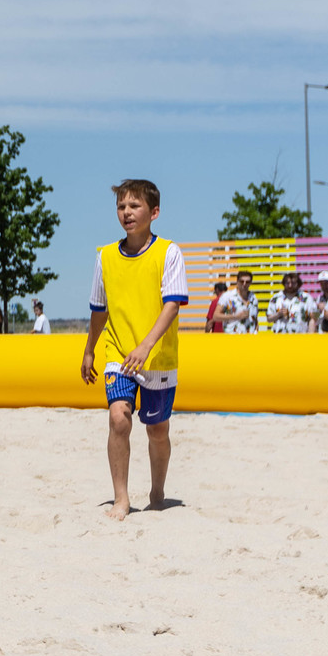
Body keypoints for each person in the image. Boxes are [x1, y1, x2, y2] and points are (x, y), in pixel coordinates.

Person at [80, 179, 187, 520]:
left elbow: (172, 306)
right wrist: (89, 351)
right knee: (119, 419)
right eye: (121, 206)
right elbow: (99, 311)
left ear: (154, 212)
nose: (126, 212)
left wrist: (145, 345)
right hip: (117, 352)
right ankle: (121, 499)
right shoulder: (105, 257)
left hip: (157, 356)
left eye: (134, 206)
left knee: (157, 430)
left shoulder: (169, 252)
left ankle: (157, 491)